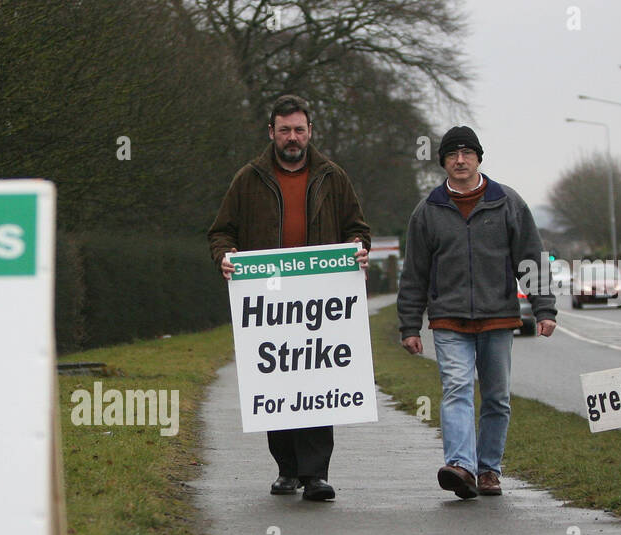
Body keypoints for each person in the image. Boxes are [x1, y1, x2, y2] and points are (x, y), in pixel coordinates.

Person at [208, 94, 371, 502]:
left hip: (321, 301)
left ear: (310, 131)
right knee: (277, 381)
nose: (292, 137)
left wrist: (356, 247)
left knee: (317, 382)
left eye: (299, 129)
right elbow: (221, 231)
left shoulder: (333, 177)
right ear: (271, 133)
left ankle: (315, 475)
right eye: (284, 130)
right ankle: (286, 470)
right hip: (268, 301)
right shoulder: (248, 179)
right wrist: (225, 257)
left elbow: (357, 228)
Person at [395, 126, 557, 498]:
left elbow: (531, 259)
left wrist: (544, 308)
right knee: (457, 388)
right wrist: (409, 326)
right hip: (449, 318)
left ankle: (488, 470)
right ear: (444, 163)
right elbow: (414, 274)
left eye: (467, 153)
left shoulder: (507, 202)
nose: (461, 160)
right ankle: (460, 467)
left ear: (479, 158)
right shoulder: (428, 211)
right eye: (453, 154)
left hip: (498, 316)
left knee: (497, 397)